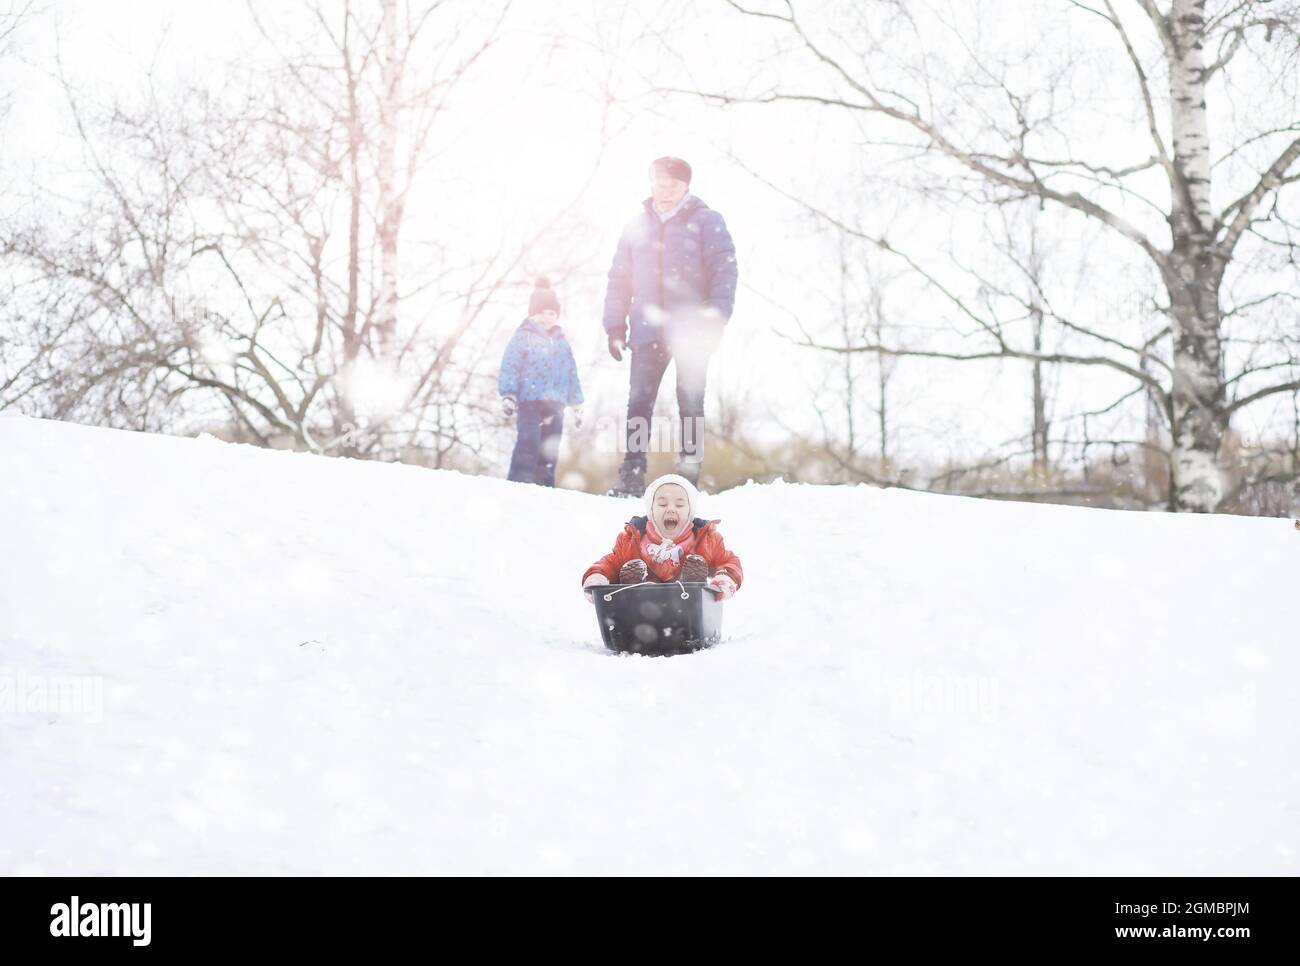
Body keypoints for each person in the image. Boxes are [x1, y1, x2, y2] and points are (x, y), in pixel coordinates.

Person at [602, 156, 738, 495]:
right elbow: (619, 279)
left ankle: (688, 477)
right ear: (651, 184)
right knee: (638, 403)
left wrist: (715, 320)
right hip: (647, 330)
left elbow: (725, 272)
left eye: (673, 187)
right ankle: (631, 475)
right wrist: (615, 326)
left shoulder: (707, 221)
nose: (665, 193)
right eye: (660, 185)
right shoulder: (635, 227)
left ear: (686, 187)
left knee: (690, 402)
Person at [580, 473, 742, 601]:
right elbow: (611, 562)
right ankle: (634, 586)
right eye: (662, 504)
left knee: (694, 574)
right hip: (639, 615)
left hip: (688, 614)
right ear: (651, 510)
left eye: (679, 505)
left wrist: (725, 578)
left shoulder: (705, 539)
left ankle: (692, 585)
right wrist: (597, 576)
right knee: (631, 571)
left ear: (689, 511)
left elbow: (728, 561)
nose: (671, 509)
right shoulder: (633, 540)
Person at [498, 277, 583, 486]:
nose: (547, 317)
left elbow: (571, 372)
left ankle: (544, 484)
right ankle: (520, 479)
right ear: (532, 314)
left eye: (552, 313)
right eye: (543, 312)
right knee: (529, 440)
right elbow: (510, 364)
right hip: (530, 401)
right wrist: (509, 394)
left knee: (550, 446)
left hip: (556, 403)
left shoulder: (562, 342)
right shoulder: (523, 336)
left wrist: (577, 404)